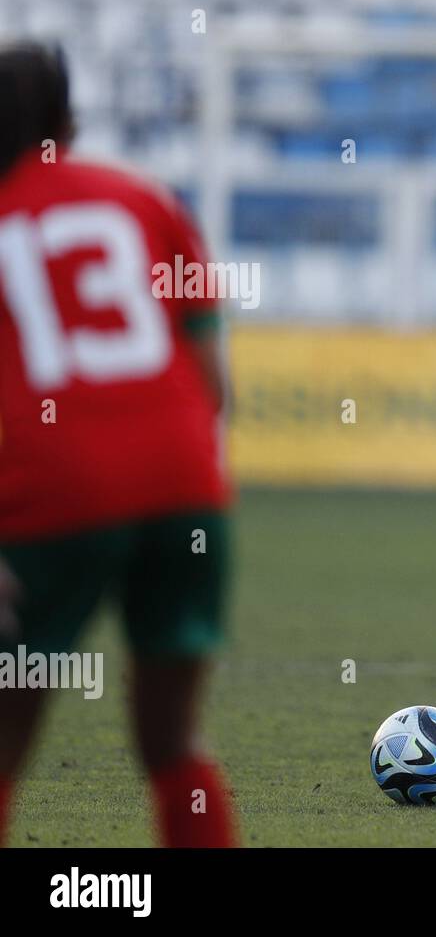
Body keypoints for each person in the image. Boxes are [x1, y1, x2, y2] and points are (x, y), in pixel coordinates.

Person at [0, 41, 238, 845]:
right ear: (69, 118)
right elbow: (214, 383)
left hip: (52, 497)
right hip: (185, 488)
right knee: (172, 742)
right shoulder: (145, 201)